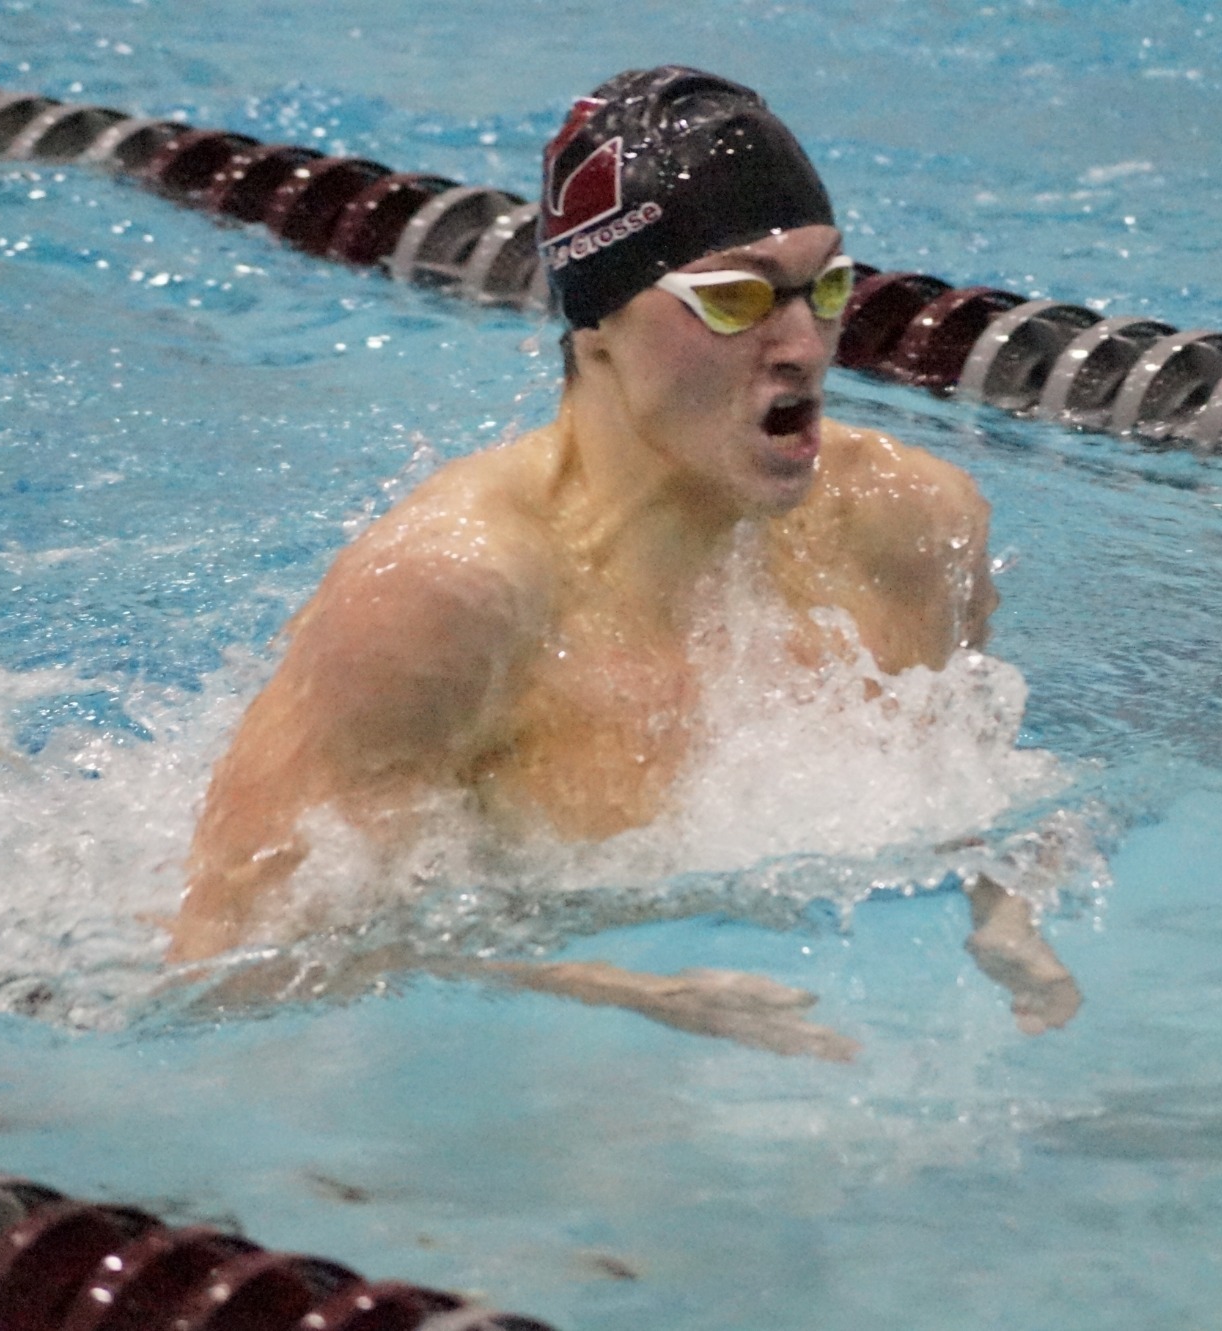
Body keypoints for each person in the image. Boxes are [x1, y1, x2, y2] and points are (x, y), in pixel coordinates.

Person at [167, 67, 1079, 1055]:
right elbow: (231, 960)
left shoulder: (908, 525)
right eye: (731, 299)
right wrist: (604, 991)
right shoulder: (451, 596)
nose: (803, 345)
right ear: (596, 327)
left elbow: (976, 778)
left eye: (822, 287)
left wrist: (1004, 906)